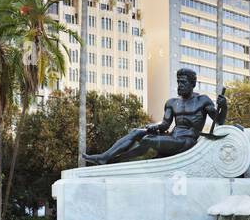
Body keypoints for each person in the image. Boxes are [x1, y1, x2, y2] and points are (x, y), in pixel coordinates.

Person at [83, 68, 227, 165]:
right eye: (178, 82)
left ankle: (115, 161)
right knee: (137, 132)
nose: (180, 85)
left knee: (147, 140)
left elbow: (219, 121)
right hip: (172, 137)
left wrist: (224, 106)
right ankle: (105, 157)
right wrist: (153, 127)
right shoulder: (172, 103)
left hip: (186, 142)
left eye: (183, 82)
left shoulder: (202, 101)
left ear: (193, 84)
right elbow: (165, 125)